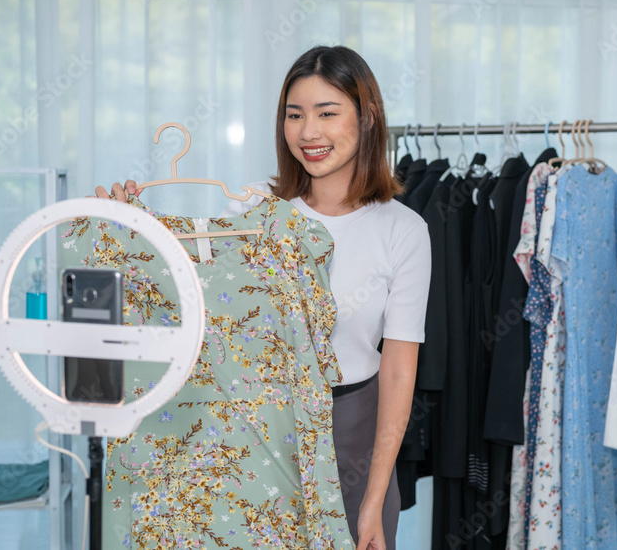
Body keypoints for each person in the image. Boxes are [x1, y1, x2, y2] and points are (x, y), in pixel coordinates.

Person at [95, 45, 430, 550]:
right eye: (294, 115)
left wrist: (373, 496)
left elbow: (399, 372)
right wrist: (130, 231)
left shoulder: (404, 230)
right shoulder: (256, 208)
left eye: (327, 113)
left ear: (368, 117)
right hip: (261, 430)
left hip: (355, 434)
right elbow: (194, 303)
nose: (308, 132)